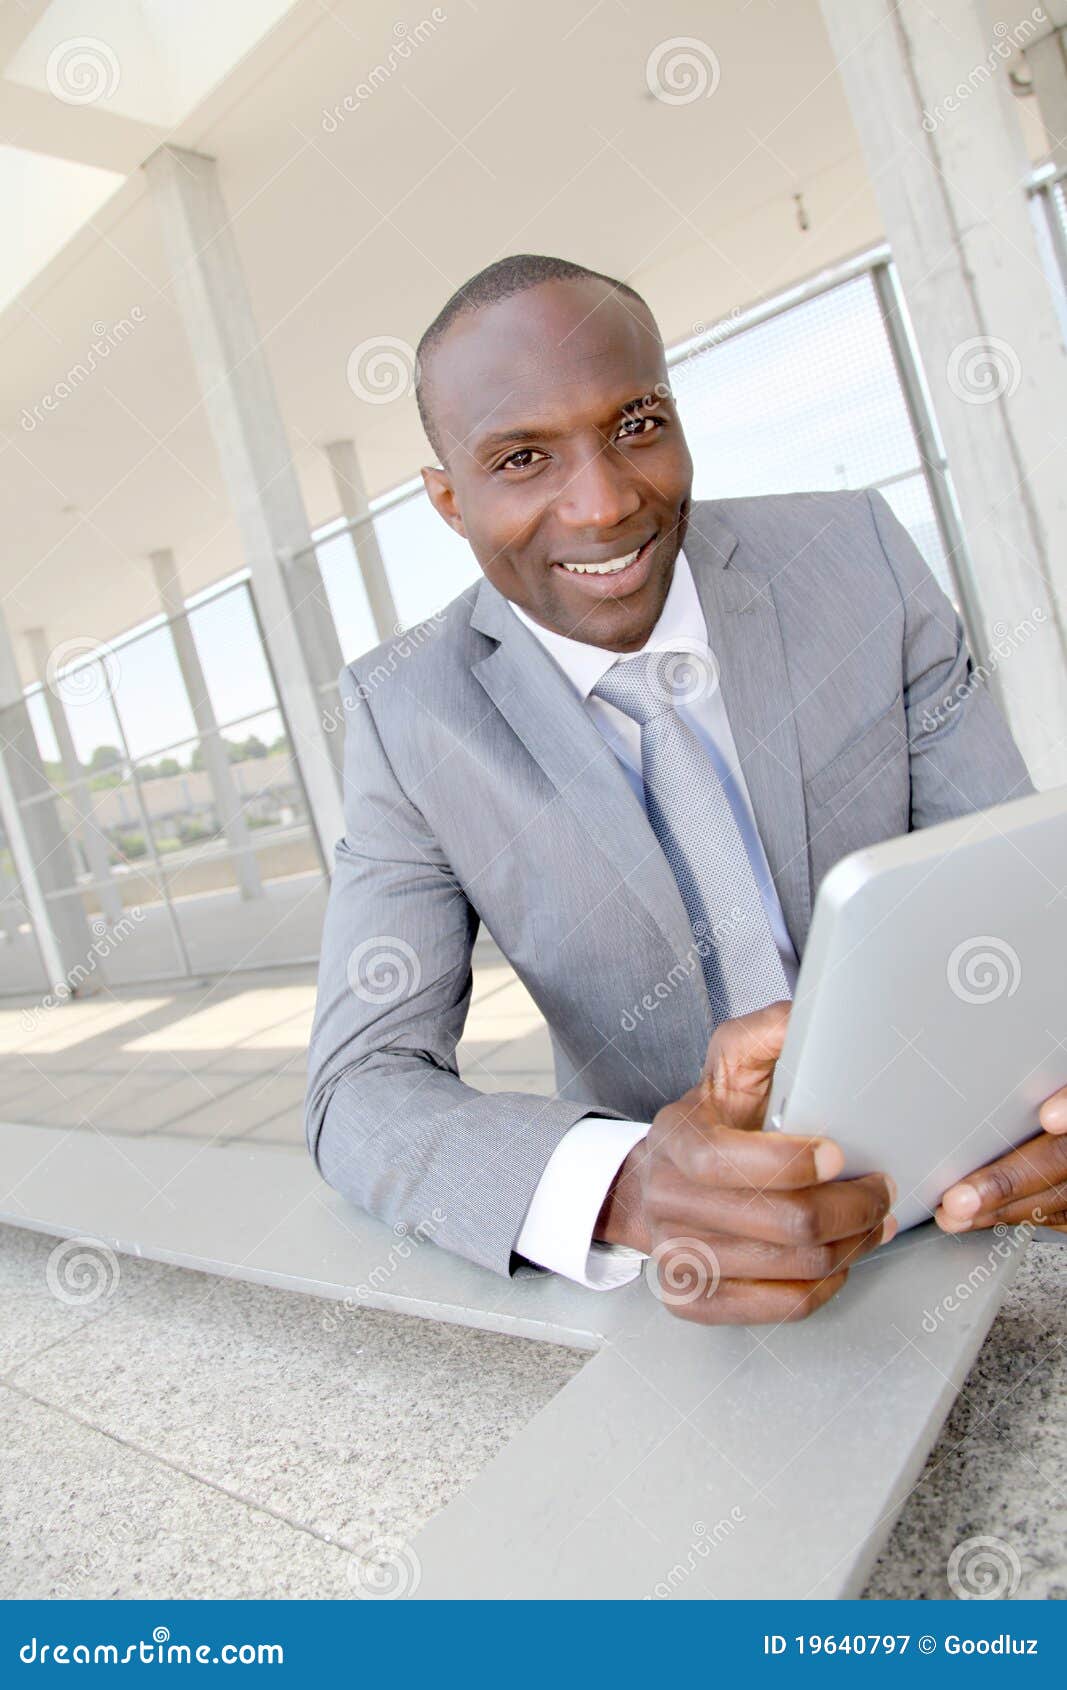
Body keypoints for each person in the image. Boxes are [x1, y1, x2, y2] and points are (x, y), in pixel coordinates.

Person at [305, 254, 1067, 1325]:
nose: (605, 503)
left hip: (960, 1191)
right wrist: (632, 1190)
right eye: (522, 458)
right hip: (692, 1284)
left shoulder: (856, 560)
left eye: (634, 424)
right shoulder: (407, 717)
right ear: (447, 499)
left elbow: (1023, 911)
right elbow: (357, 1090)